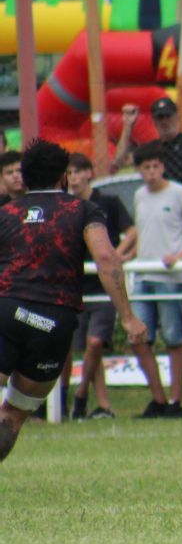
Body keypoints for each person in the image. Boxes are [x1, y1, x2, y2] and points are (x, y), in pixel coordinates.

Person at [0, 140, 147, 462]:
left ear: (24, 178)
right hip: (54, 321)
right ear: (63, 178)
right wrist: (128, 317)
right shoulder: (81, 209)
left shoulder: (6, 213)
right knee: (14, 413)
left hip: (7, 310)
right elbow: (107, 259)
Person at [129, 142, 182, 419]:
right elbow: (142, 233)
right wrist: (126, 256)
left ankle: (176, 401)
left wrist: (181, 255)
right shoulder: (140, 195)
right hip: (144, 274)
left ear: (163, 167)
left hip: (171, 277)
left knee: (173, 338)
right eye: (146, 167)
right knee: (139, 338)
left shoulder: (179, 193)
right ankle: (159, 399)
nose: (152, 172)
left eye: (156, 166)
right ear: (139, 169)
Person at [62, 154, 136, 420]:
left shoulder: (108, 202)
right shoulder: (66, 206)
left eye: (77, 171)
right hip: (77, 286)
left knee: (95, 343)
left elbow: (132, 232)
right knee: (84, 349)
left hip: (104, 286)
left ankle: (80, 396)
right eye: (68, 172)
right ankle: (102, 404)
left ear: (89, 173)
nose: (73, 177)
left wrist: (116, 255)